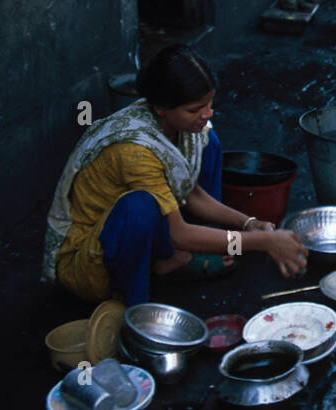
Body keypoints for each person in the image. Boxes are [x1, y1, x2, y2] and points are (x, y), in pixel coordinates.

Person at [41, 45, 309, 306]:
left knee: (209, 140)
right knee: (140, 206)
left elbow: (192, 193)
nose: (207, 113)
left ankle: (180, 256)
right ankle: (132, 306)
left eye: (209, 102)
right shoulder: (134, 151)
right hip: (91, 259)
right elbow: (178, 233)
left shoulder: (176, 128)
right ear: (161, 109)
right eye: (195, 109)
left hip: (145, 234)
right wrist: (263, 242)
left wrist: (248, 224)